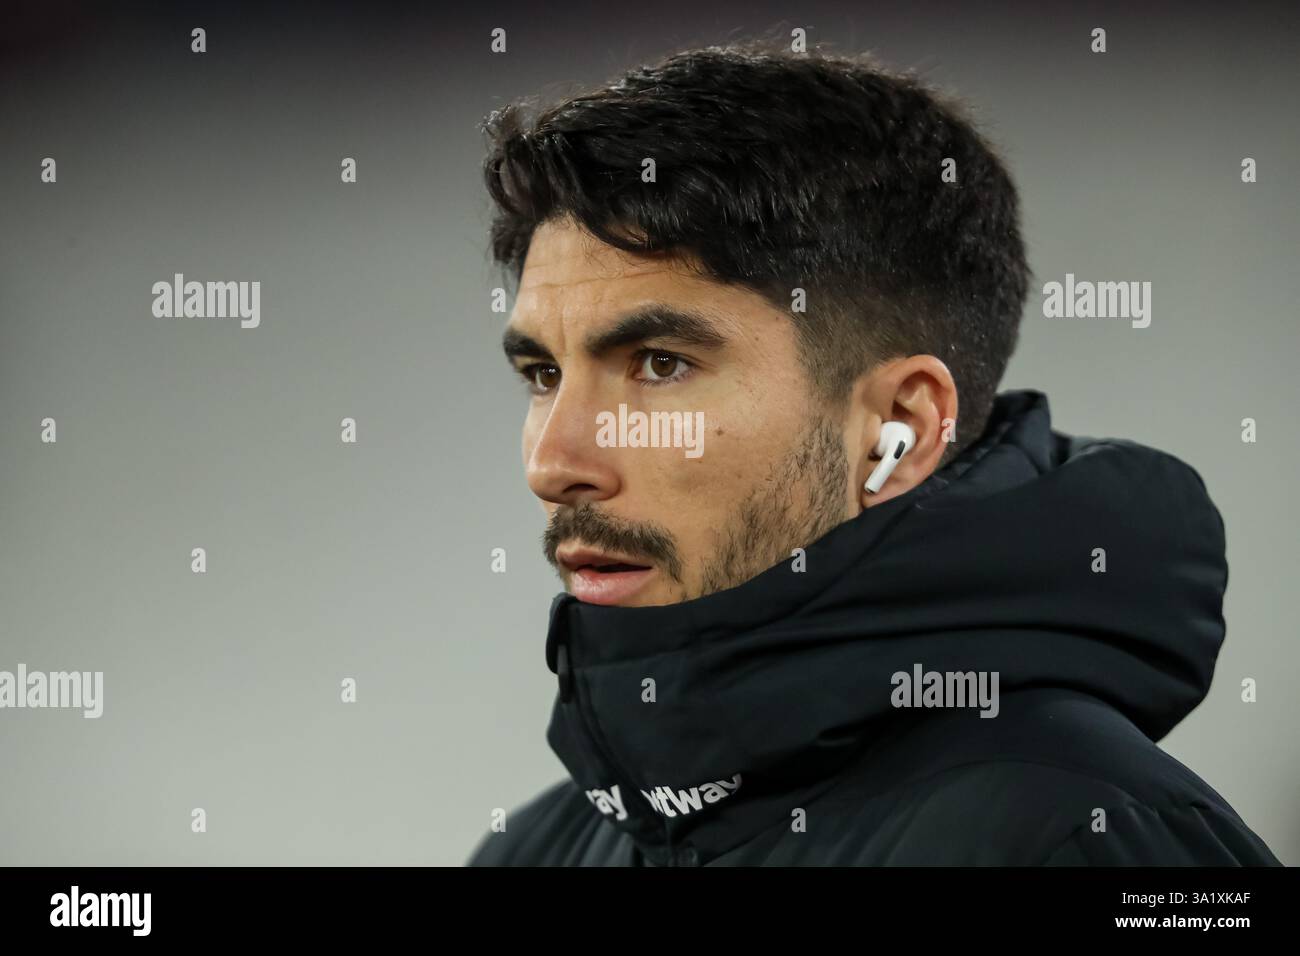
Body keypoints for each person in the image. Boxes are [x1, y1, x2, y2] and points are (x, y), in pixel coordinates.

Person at [467, 42, 1280, 866]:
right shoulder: (535, 850)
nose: (553, 463)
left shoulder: (1087, 839)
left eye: (661, 365)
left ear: (900, 429)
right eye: (543, 374)